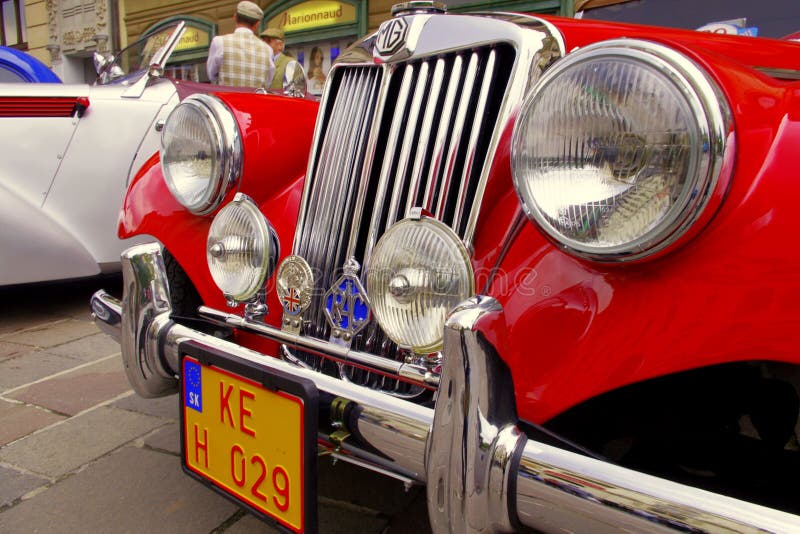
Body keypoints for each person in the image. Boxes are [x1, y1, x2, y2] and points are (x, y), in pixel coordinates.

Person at [206, 1, 275, 88]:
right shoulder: (267, 50)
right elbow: (268, 81)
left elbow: (211, 75)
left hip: (227, 100)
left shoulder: (219, 42)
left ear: (235, 17)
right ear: (257, 24)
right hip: (255, 101)